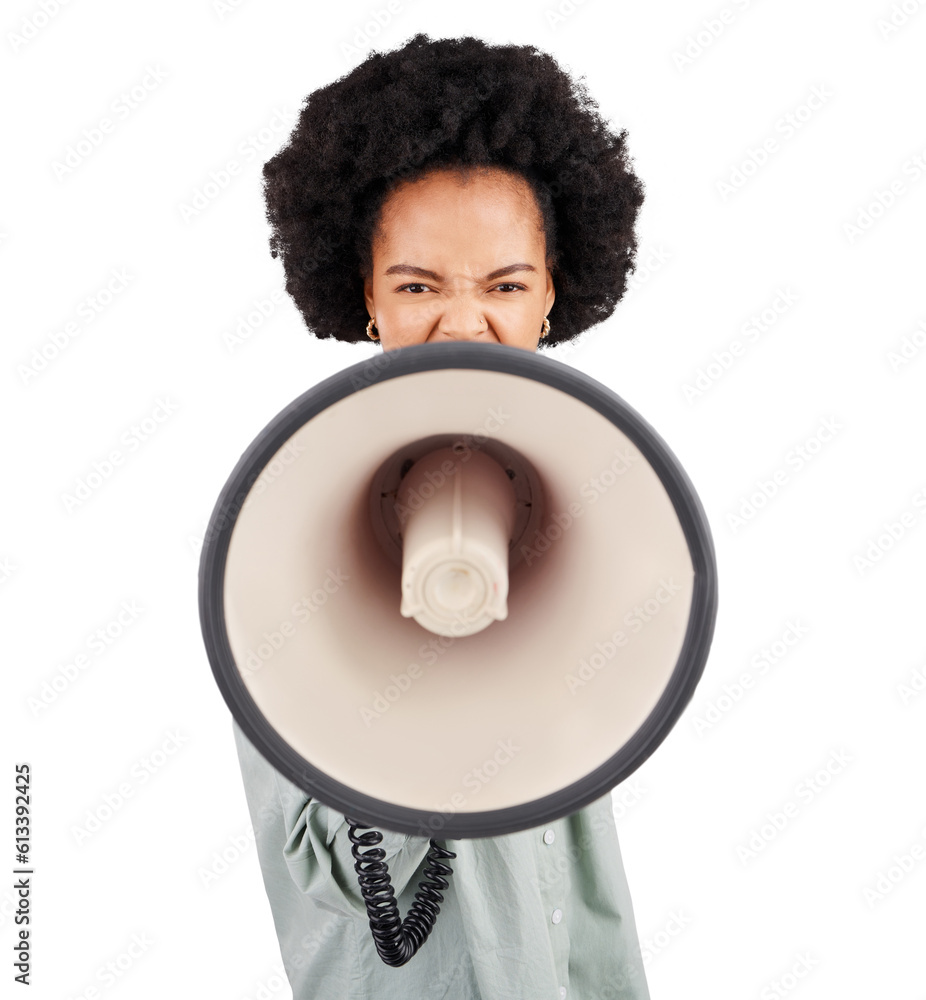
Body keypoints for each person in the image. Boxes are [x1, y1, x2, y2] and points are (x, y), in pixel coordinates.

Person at [233, 32, 649, 999]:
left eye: (504, 285)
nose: (465, 324)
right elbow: (332, 877)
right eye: (420, 286)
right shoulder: (286, 535)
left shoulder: (585, 499)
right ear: (367, 298)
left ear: (551, 295)